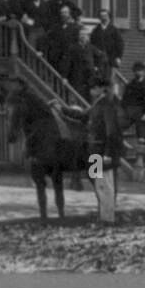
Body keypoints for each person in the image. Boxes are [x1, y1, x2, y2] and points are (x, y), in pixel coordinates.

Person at [52, 77, 123, 224]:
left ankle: (108, 218)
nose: (91, 92)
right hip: (94, 151)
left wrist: (108, 154)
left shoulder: (106, 104)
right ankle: (103, 216)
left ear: (99, 89)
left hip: (102, 152)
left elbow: (111, 131)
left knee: (105, 185)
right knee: (99, 184)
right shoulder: (98, 104)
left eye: (93, 88)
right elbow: (82, 115)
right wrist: (62, 109)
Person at [121, 62, 145, 145]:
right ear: (133, 72)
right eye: (136, 71)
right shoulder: (130, 85)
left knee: (142, 132)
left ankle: (141, 143)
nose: (137, 72)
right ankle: (121, 142)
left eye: (140, 70)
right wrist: (126, 111)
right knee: (118, 125)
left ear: (143, 72)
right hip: (131, 112)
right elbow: (124, 100)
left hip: (143, 112)